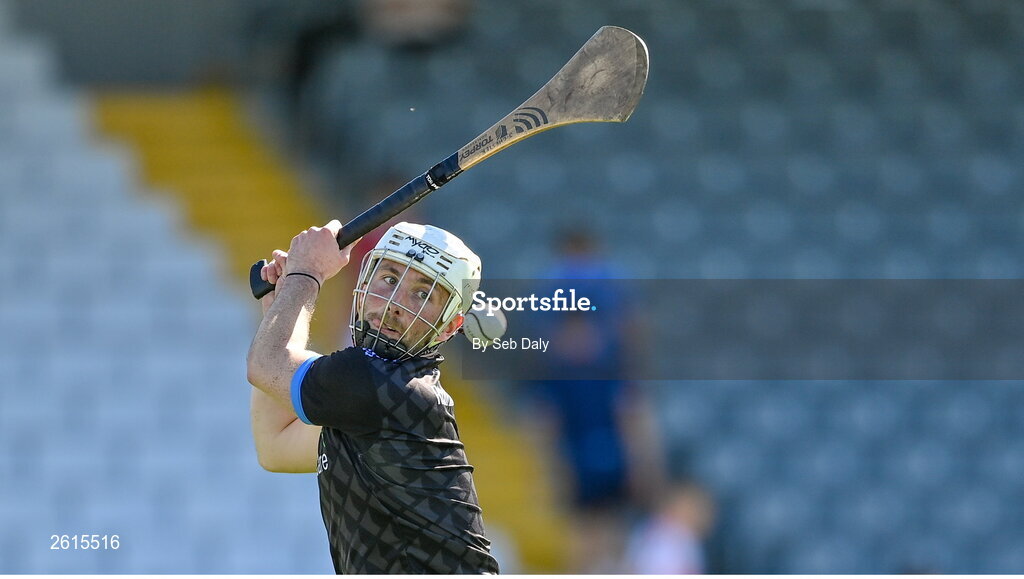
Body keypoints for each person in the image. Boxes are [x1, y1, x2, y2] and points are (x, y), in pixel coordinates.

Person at [246, 219, 499, 574]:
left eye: (423, 293)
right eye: (391, 280)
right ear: (363, 286)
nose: (397, 303)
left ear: (449, 328)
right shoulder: (370, 394)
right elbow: (275, 445)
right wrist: (283, 302)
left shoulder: (378, 384)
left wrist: (307, 274)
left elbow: (266, 364)